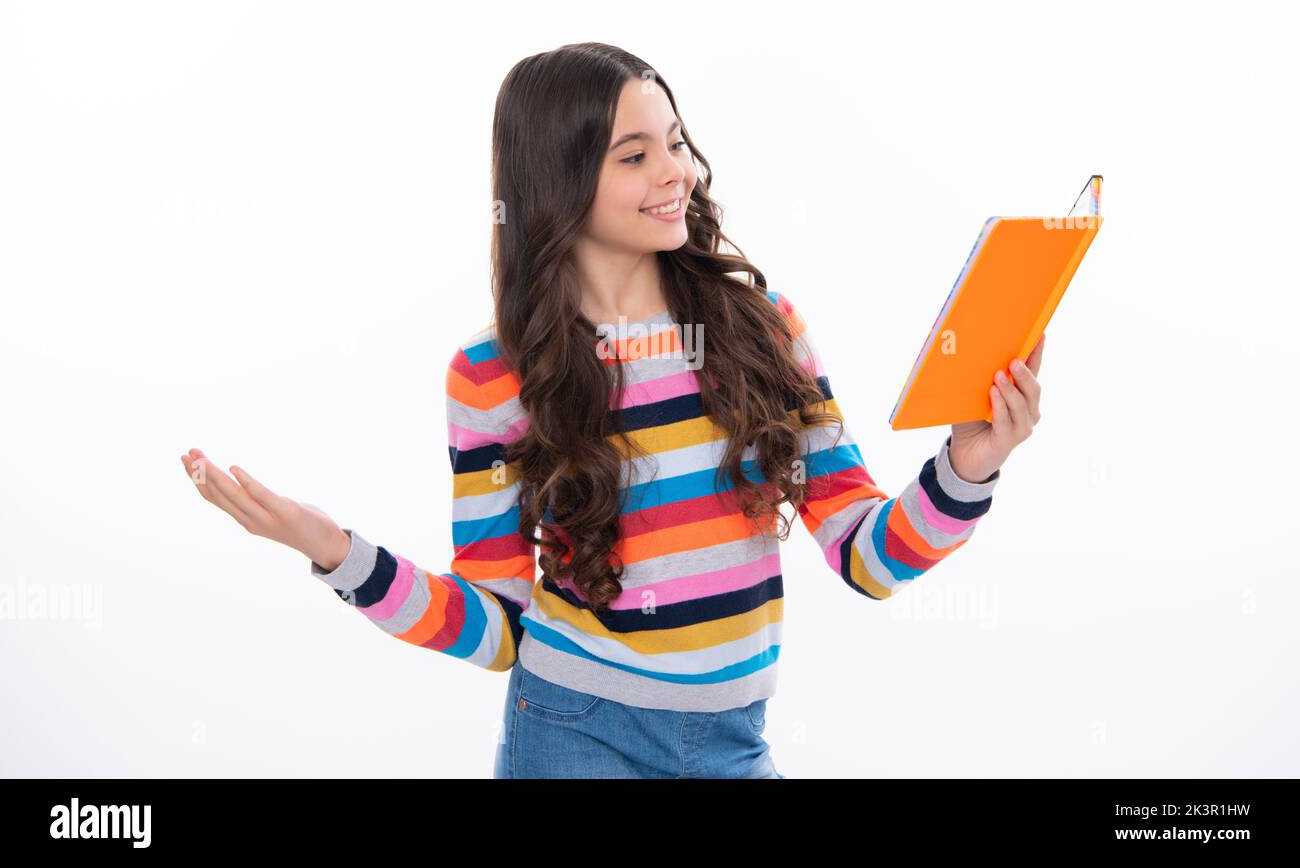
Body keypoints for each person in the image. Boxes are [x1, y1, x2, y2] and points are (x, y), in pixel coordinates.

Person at [181, 42, 1044, 779]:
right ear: (560, 181)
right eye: (635, 156)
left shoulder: (763, 329)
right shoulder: (493, 376)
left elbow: (869, 558)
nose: (678, 172)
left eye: (674, 142)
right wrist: (329, 549)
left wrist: (971, 463)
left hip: (735, 744)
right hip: (574, 736)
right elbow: (495, 630)